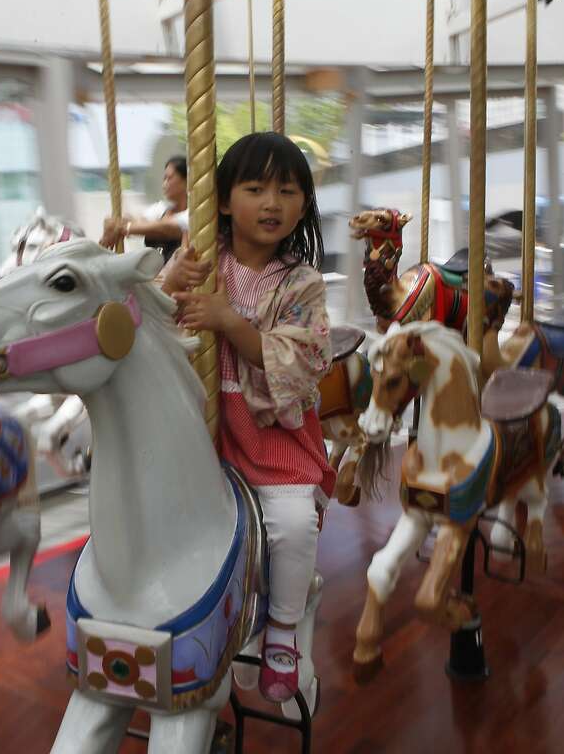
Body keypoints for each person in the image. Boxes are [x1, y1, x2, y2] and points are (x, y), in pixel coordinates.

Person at [161, 132, 333, 703]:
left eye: (287, 191)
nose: (272, 203)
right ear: (225, 199)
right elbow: (154, 322)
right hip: (205, 440)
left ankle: (283, 629)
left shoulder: (300, 282)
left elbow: (303, 357)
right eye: (255, 188)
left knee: (290, 524)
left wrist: (229, 321)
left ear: (304, 204)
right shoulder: (204, 261)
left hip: (271, 443)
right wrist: (169, 284)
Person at [99, 155, 188, 261]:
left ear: (186, 181)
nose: (164, 184)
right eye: (164, 179)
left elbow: (166, 229)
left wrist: (123, 228)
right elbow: (138, 221)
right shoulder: (162, 208)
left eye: (169, 178)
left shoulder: (192, 214)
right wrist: (113, 224)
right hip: (153, 273)